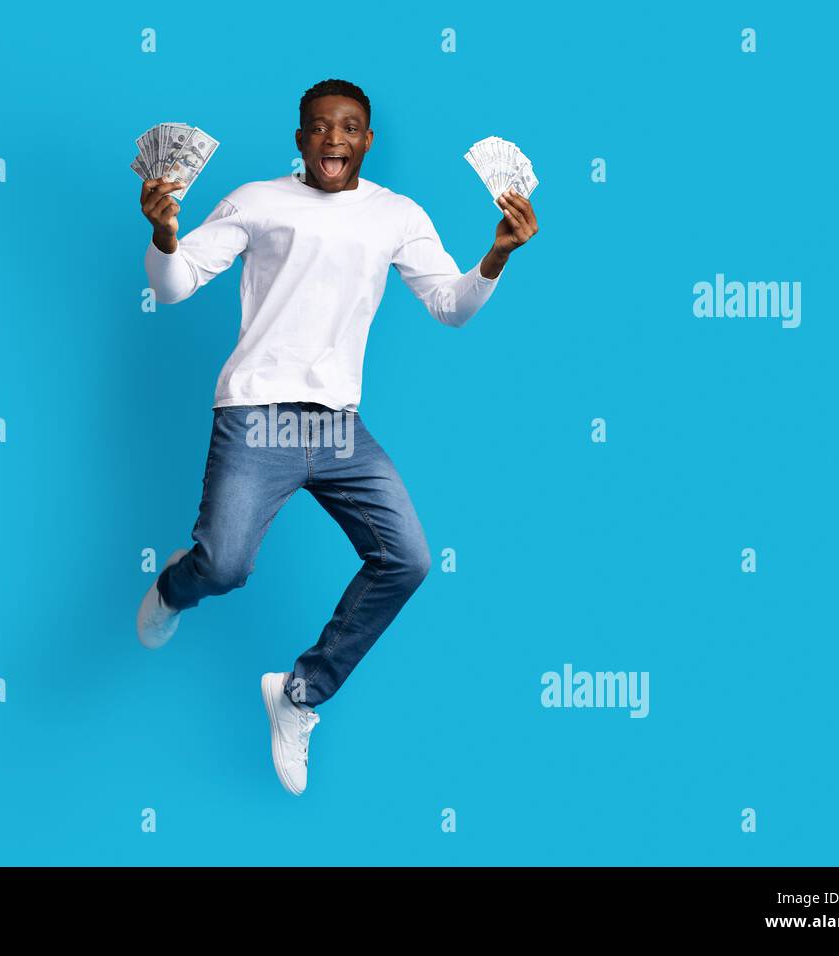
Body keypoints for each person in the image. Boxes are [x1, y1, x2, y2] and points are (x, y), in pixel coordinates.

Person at [135, 78, 539, 795]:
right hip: (257, 414)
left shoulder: (396, 214)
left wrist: (497, 254)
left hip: (339, 427)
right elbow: (175, 284)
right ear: (300, 139)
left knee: (408, 560)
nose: (334, 140)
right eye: (319, 128)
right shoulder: (256, 201)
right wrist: (165, 239)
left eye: (349, 128)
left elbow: (449, 306)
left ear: (367, 141)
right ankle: (175, 584)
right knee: (223, 568)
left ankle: (298, 696)